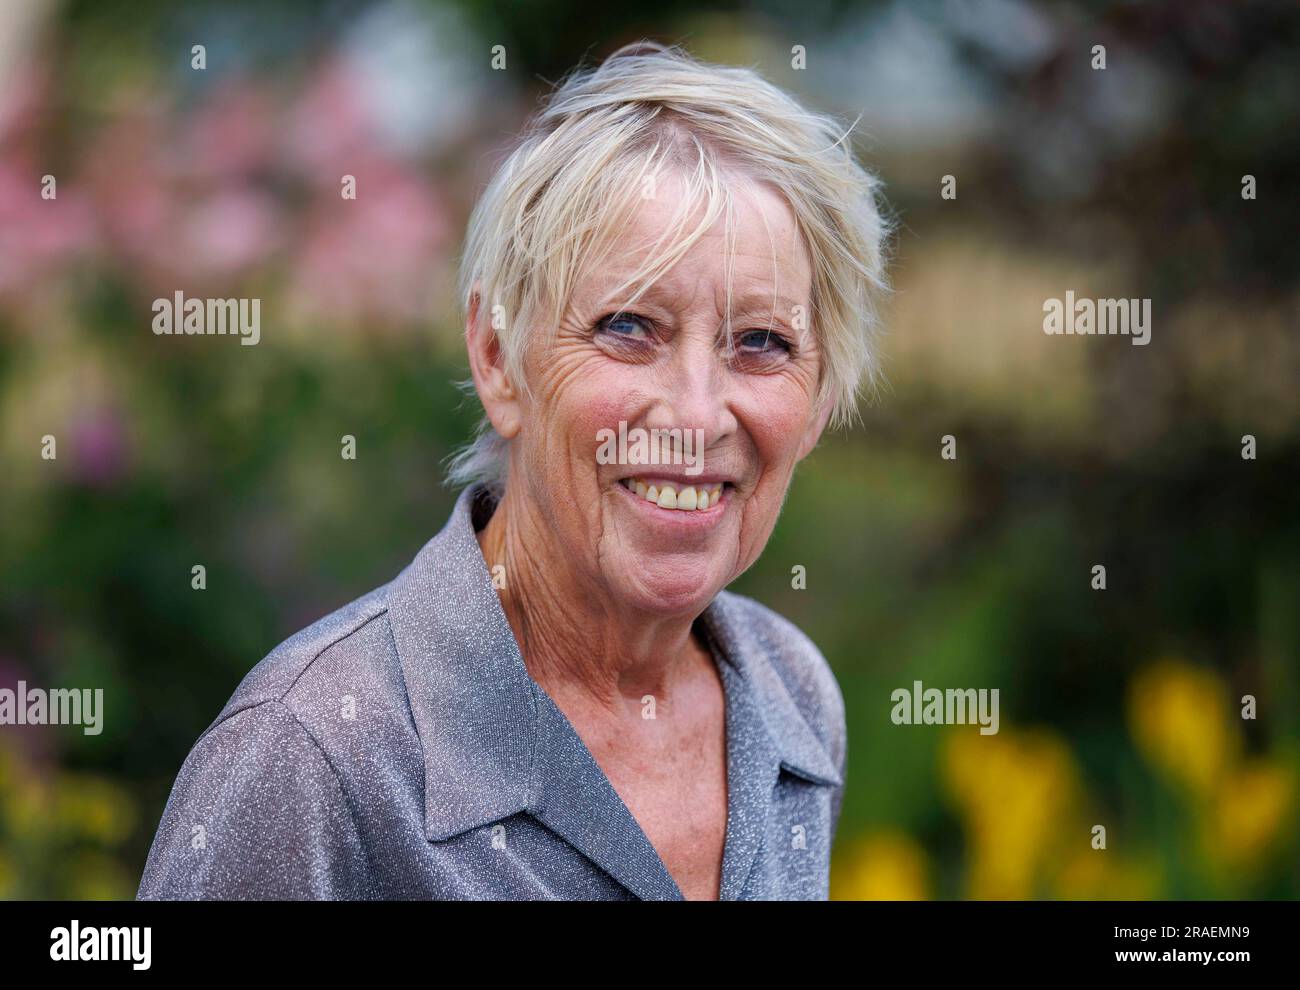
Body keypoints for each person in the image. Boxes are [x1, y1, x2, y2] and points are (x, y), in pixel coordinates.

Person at [137, 38, 890, 900]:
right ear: (499, 360)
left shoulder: (787, 696)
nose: (693, 414)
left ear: (821, 399)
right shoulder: (313, 755)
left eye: (761, 343)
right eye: (628, 327)